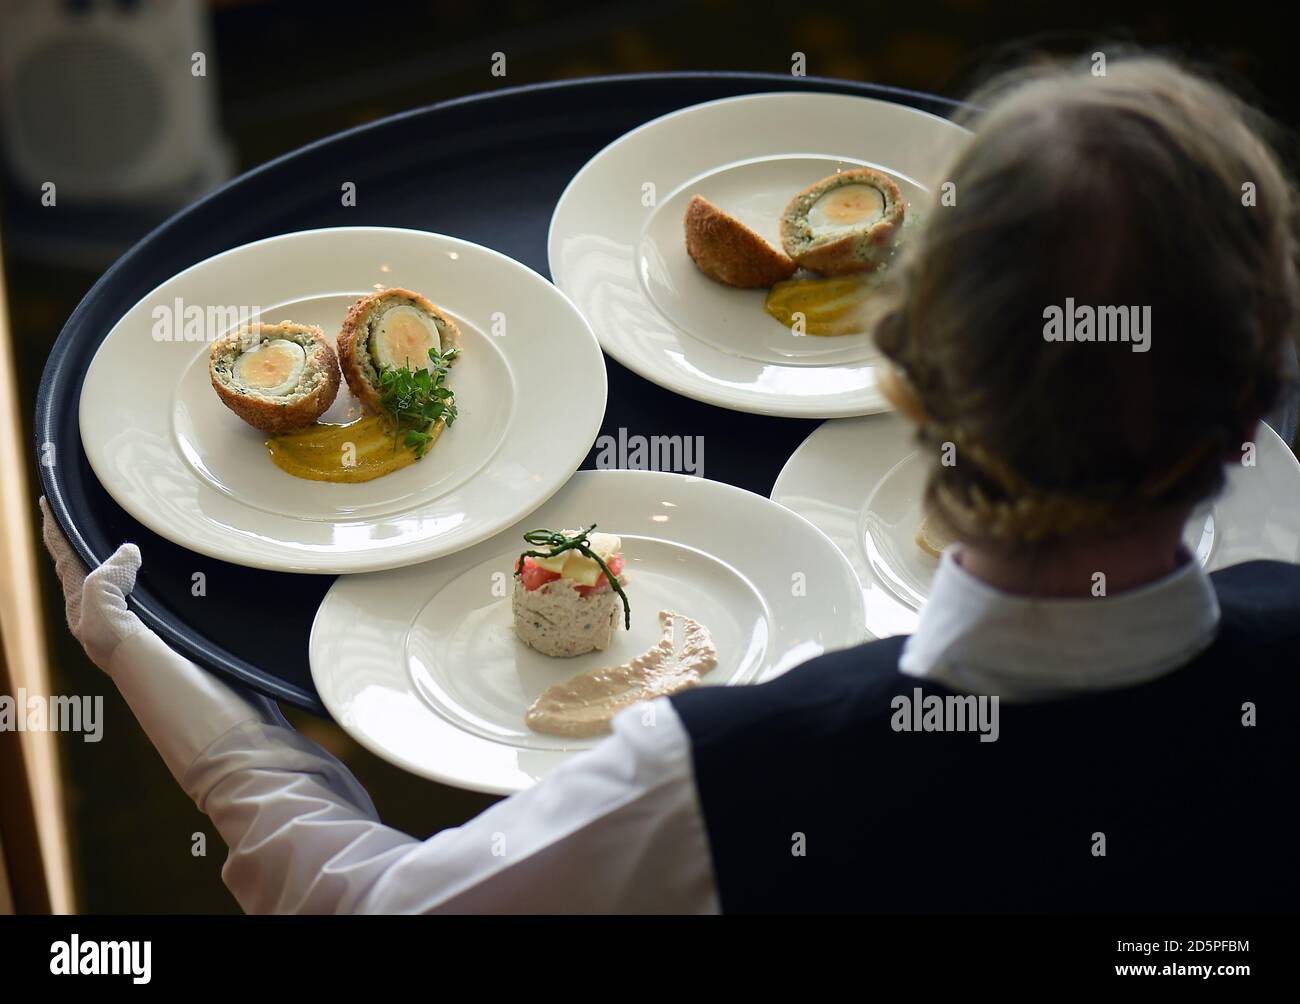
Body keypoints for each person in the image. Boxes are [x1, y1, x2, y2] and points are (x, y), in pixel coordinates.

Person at [42, 54, 1300, 912]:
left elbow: (358, 904)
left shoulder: (724, 774)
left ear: (909, 371)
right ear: (1254, 408)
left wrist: (164, 672)